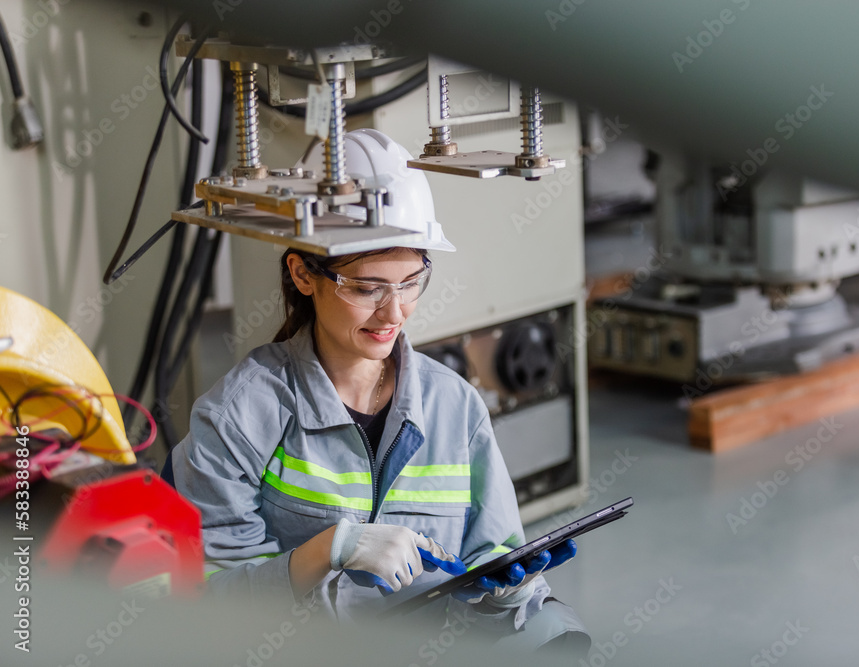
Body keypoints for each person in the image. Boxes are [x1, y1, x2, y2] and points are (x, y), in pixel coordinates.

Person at [170, 129, 589, 652]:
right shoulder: (239, 415)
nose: (395, 314)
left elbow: (491, 564)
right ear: (303, 273)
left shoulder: (454, 407)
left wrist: (508, 592)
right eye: (367, 289)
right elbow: (217, 607)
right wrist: (329, 550)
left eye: (411, 282)